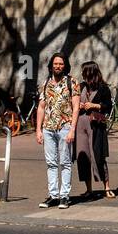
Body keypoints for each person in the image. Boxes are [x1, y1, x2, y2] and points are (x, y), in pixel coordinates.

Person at [36, 53, 80, 209]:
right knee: (51, 163)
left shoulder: (72, 82)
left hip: (65, 127)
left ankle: (64, 196)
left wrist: (72, 130)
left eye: (61, 64)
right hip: (48, 128)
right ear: (51, 65)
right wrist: (38, 130)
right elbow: (41, 107)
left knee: (65, 162)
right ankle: (53, 195)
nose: (58, 66)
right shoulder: (46, 83)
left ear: (65, 65)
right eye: (55, 64)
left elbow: (76, 108)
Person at [75, 61, 114, 200]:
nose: (82, 74)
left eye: (84, 71)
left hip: (95, 124)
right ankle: (88, 189)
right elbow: (71, 103)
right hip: (80, 123)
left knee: (98, 155)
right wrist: (77, 105)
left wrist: (94, 105)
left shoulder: (103, 88)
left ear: (91, 72)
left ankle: (107, 187)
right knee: (83, 155)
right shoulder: (80, 87)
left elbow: (108, 106)